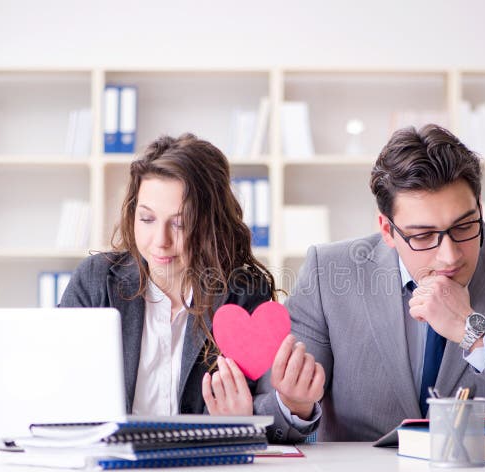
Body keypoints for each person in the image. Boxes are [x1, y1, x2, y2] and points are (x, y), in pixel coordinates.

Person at [278, 124, 485, 441]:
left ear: (479, 208)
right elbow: (274, 417)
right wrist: (295, 407)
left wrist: (476, 335)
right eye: (423, 236)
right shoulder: (328, 272)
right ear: (387, 230)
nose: (450, 256)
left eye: (465, 226)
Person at [60, 133, 324, 443]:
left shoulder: (243, 293)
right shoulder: (96, 280)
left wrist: (250, 419)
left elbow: (267, 402)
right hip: (111, 469)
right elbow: (56, 382)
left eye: (180, 223)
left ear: (210, 223)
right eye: (146, 218)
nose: (160, 240)